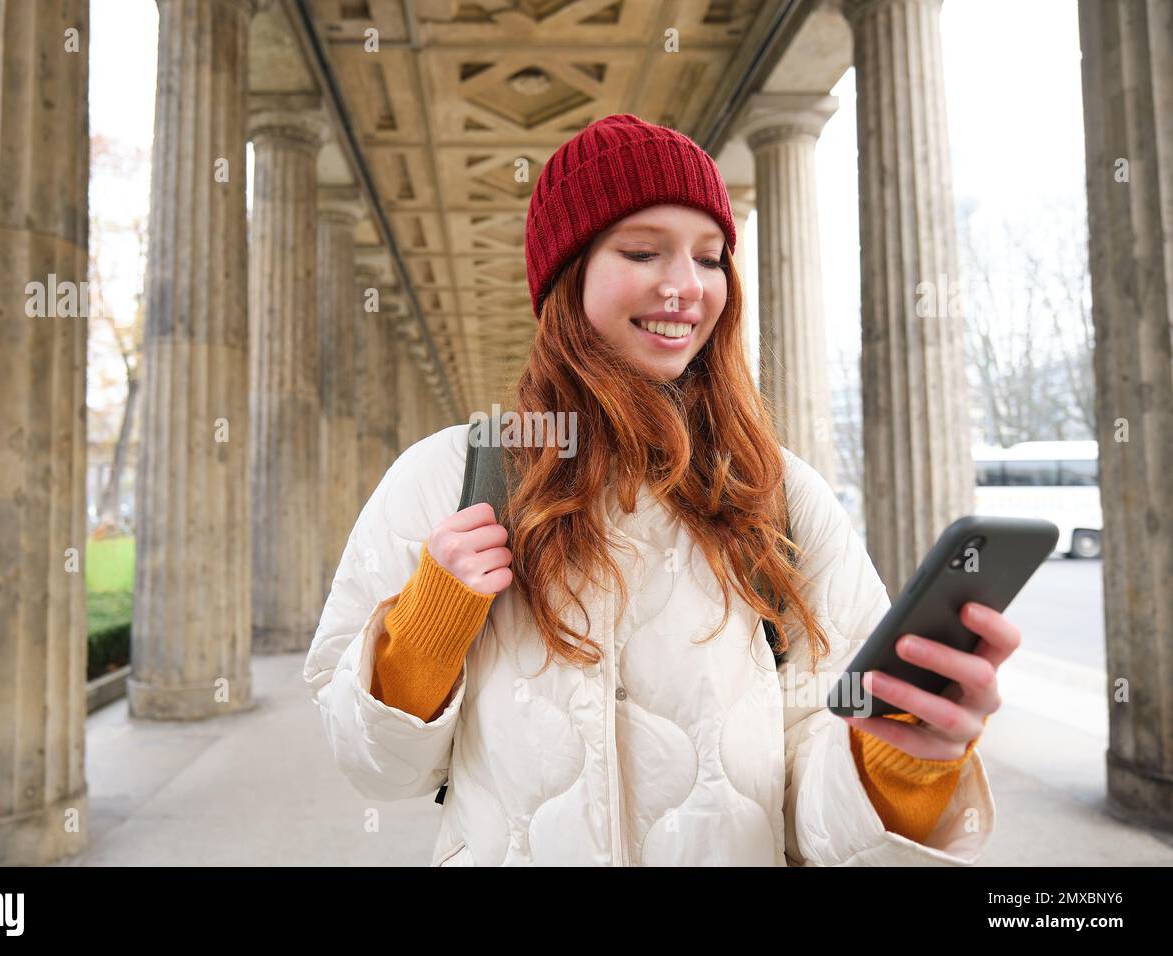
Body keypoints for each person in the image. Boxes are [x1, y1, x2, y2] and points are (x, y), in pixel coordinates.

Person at [304, 113, 1005, 866]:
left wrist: (902, 762)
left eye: (709, 260)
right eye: (643, 251)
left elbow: (815, 806)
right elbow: (376, 769)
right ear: (565, 279)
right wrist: (424, 632)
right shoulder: (450, 477)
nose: (684, 287)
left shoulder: (782, 495)